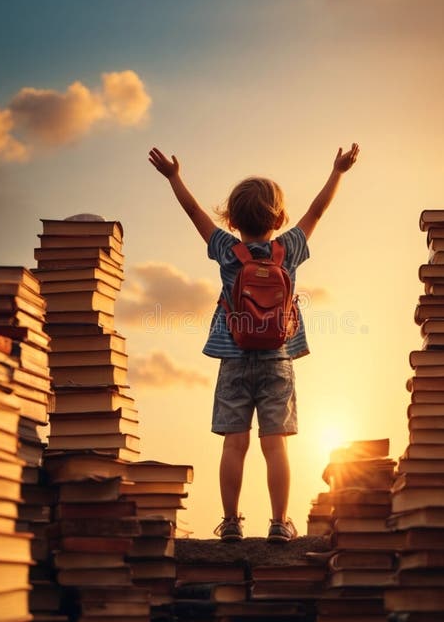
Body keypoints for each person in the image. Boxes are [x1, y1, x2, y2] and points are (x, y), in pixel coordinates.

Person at [148, 143, 360, 542]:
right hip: (278, 359)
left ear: (230, 219)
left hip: (234, 359)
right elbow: (317, 211)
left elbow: (194, 213)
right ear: (279, 218)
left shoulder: (228, 251)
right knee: (275, 445)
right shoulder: (289, 249)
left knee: (234, 442)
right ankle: (280, 523)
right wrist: (338, 172)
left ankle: (230, 522)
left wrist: (175, 178)